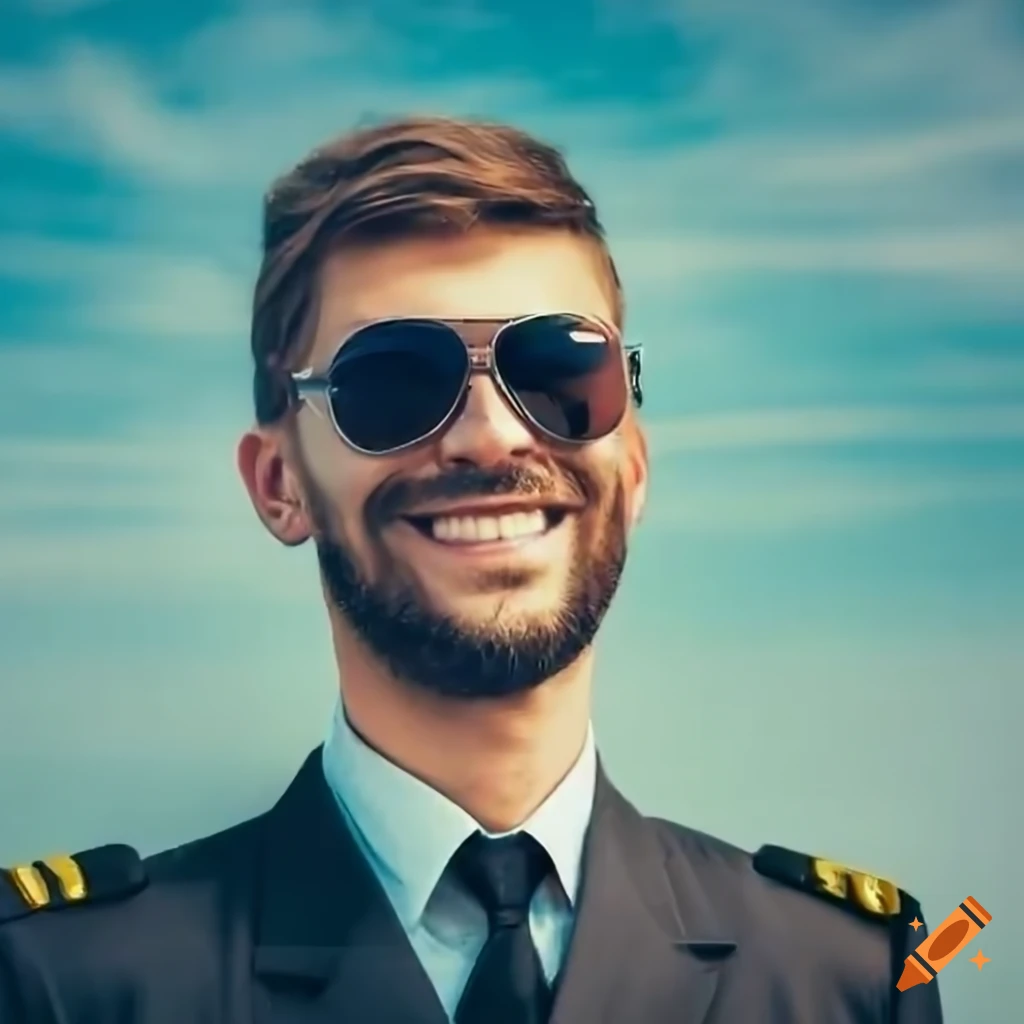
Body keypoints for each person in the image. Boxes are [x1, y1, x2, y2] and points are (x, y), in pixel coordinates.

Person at [0, 116, 943, 1024]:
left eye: (559, 372)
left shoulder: (847, 978)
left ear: (636, 466)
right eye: (395, 381)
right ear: (279, 483)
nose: (493, 435)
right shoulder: (63, 985)